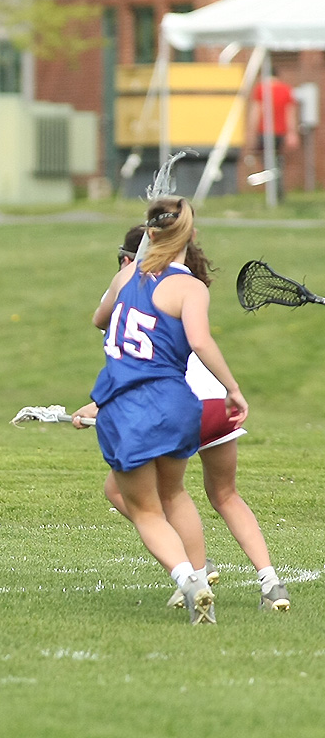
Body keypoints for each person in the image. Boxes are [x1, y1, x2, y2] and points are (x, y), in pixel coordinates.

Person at [75, 225, 290, 612]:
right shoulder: (189, 285)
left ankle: (193, 570)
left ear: (133, 257)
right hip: (216, 405)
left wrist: (99, 406)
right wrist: (232, 389)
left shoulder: (132, 287)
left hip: (175, 406)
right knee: (225, 495)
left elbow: (135, 366)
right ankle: (271, 582)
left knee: (142, 496)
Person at [247, 68, 299, 201]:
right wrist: (292, 133)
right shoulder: (286, 89)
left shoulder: (261, 89)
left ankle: (273, 192)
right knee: (277, 160)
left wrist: (251, 133)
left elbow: (256, 112)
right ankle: (278, 192)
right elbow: (290, 114)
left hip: (264, 131)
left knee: (267, 162)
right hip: (281, 132)